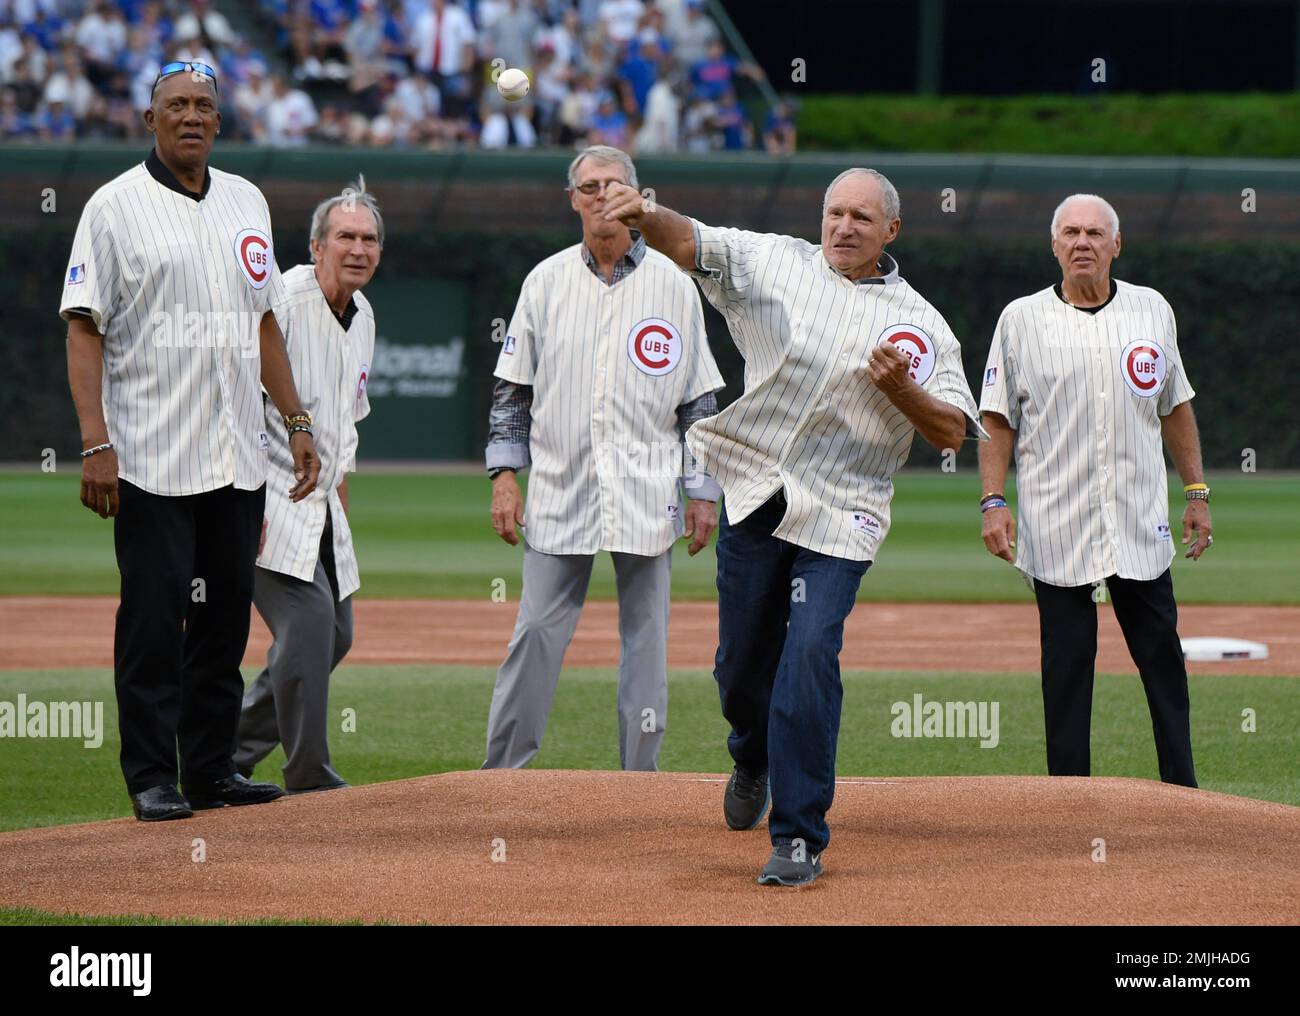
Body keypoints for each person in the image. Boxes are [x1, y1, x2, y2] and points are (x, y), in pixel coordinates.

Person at [604, 167, 984, 885]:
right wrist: (642, 211)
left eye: (862, 219)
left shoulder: (920, 325)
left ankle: (799, 836)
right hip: (754, 489)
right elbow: (691, 242)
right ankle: (752, 753)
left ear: (892, 231)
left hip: (842, 512)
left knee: (809, 654)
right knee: (741, 667)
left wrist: (902, 388)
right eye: (835, 212)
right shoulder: (774, 262)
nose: (844, 227)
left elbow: (950, 434)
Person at [60, 61, 321, 821]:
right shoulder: (113, 207)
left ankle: (210, 769)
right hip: (149, 455)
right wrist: (93, 441)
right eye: (175, 105)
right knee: (152, 621)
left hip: (238, 455)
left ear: (218, 119)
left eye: (204, 105)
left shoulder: (247, 200)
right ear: (150, 119)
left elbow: (264, 321)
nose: (191, 116)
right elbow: (84, 327)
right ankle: (150, 775)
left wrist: (297, 422)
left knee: (222, 623)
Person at [483, 144, 725, 773]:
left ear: (638, 197)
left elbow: (699, 401)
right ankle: (500, 777)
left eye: (613, 186)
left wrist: (704, 490)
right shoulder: (545, 280)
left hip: (648, 487)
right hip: (561, 484)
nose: (600, 197)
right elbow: (512, 391)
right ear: (573, 200)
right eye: (587, 187)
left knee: (646, 642)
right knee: (535, 633)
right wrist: (505, 476)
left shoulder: (675, 282)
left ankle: (638, 779)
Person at [978, 193, 1207, 788]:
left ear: (1116, 244)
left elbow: (1175, 405)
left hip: (1138, 520)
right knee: (1067, 668)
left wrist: (1198, 492)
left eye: (1095, 233)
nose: (1083, 242)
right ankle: (1069, 798)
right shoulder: (1020, 319)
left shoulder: (1151, 310)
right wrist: (993, 501)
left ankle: (1182, 790)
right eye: (1071, 232)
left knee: (1163, 662)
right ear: (1054, 244)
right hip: (1058, 524)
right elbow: (997, 418)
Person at [233, 179, 382, 794]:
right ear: (316, 246)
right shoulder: (282, 300)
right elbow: (236, 393)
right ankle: (310, 774)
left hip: (320, 503)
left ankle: (225, 752)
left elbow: (346, 426)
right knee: (310, 624)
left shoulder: (364, 314)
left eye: (369, 239)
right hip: (263, 488)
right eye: (345, 237)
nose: (358, 248)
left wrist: (340, 515)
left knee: (335, 633)